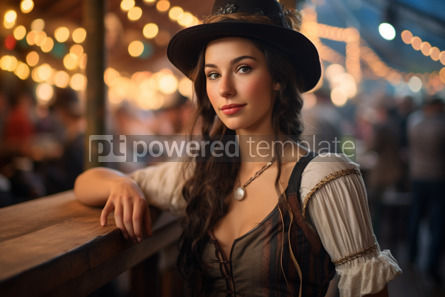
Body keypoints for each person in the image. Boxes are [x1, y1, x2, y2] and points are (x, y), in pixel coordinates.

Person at [74, 0, 401, 296]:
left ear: (277, 77)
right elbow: (86, 183)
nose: (225, 89)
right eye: (213, 74)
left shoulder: (324, 178)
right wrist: (123, 184)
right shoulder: (203, 176)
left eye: (243, 68)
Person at [407, 96, 445, 285]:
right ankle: (431, 264)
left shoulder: (413, 121)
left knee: (415, 216)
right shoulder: (441, 125)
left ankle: (411, 255)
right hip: (437, 176)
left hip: (417, 175)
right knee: (437, 222)